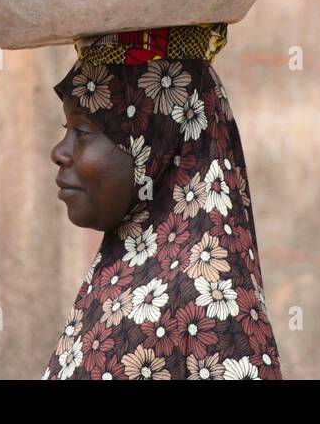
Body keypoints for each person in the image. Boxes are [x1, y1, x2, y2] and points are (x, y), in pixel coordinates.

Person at [41, 24, 283, 380]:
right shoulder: (127, 269)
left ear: (154, 145)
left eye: (82, 131)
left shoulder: (207, 290)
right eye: (66, 129)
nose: (59, 152)